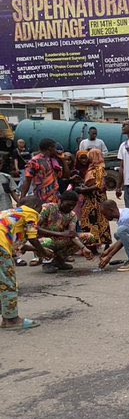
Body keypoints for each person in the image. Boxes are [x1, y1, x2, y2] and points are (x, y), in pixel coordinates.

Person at [0, 196, 53, 330]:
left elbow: (19, 244)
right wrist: (43, 252)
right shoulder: (31, 212)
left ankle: (6, 313)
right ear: (36, 206)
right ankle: (11, 320)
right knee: (8, 282)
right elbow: (33, 236)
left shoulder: (10, 213)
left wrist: (37, 249)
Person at [35, 191, 95, 273]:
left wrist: (83, 248)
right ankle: (47, 262)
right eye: (68, 205)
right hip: (43, 239)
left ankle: (59, 260)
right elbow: (35, 228)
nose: (70, 208)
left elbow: (71, 234)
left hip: (59, 240)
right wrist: (60, 234)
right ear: (60, 201)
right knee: (46, 242)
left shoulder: (72, 215)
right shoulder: (47, 208)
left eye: (73, 206)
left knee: (89, 237)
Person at [76, 149, 112, 250]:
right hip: (92, 198)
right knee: (94, 220)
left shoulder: (99, 168)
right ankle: (95, 242)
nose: (88, 157)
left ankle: (97, 242)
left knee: (95, 220)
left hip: (96, 199)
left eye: (90, 155)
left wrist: (83, 189)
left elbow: (99, 185)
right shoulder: (92, 168)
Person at [21, 138, 63, 204]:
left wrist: (62, 159)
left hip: (55, 197)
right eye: (55, 148)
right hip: (41, 198)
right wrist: (22, 198)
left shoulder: (53, 160)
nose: (56, 150)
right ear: (50, 148)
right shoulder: (35, 161)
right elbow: (27, 180)